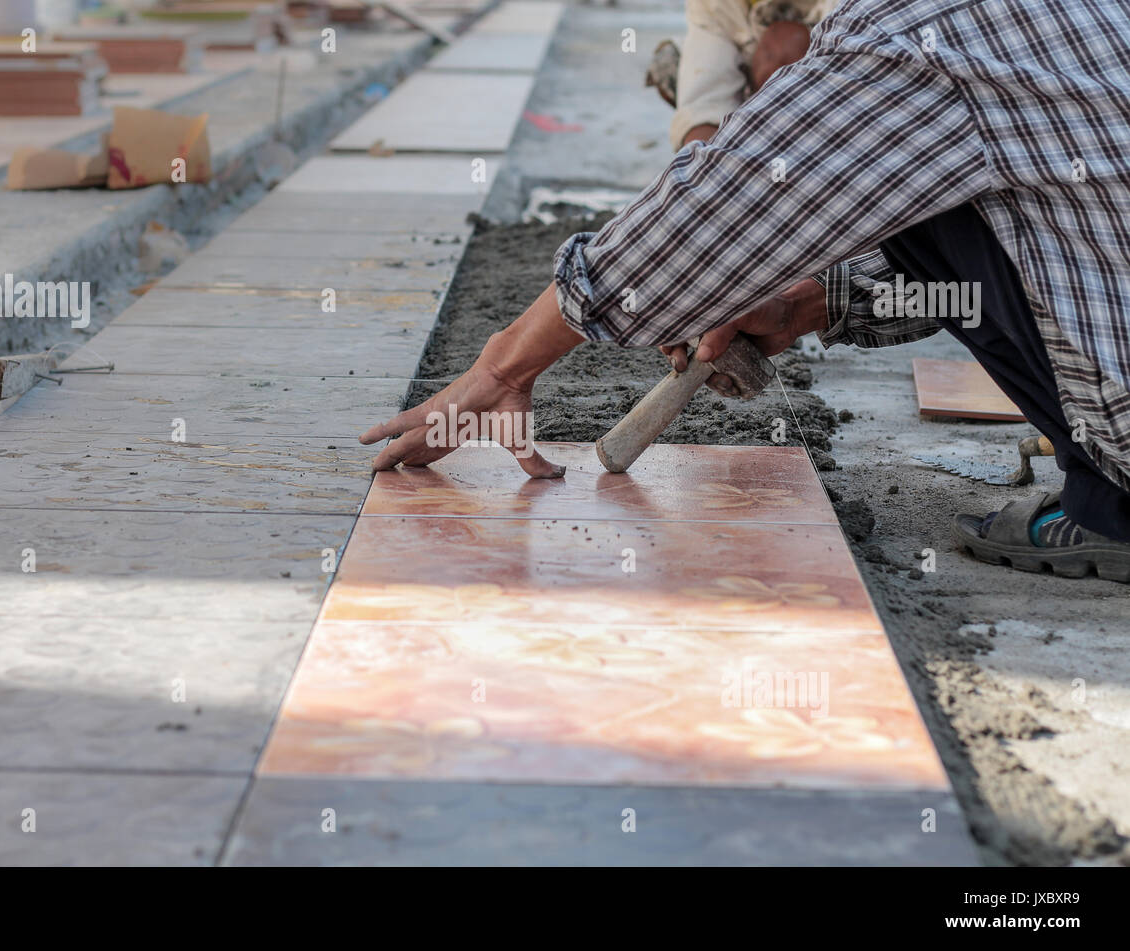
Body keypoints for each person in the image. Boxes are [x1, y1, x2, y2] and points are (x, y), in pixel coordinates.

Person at [360, 0, 1130, 581]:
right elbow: (959, 285)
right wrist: (809, 302)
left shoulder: (921, 28)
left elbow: (711, 216)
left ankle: (1112, 503)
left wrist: (503, 370)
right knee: (938, 217)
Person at [648, 0, 837, 149]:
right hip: (750, 76)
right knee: (670, 64)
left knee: (783, 44)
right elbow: (706, 95)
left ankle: (785, 153)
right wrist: (702, 170)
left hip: (831, 94)